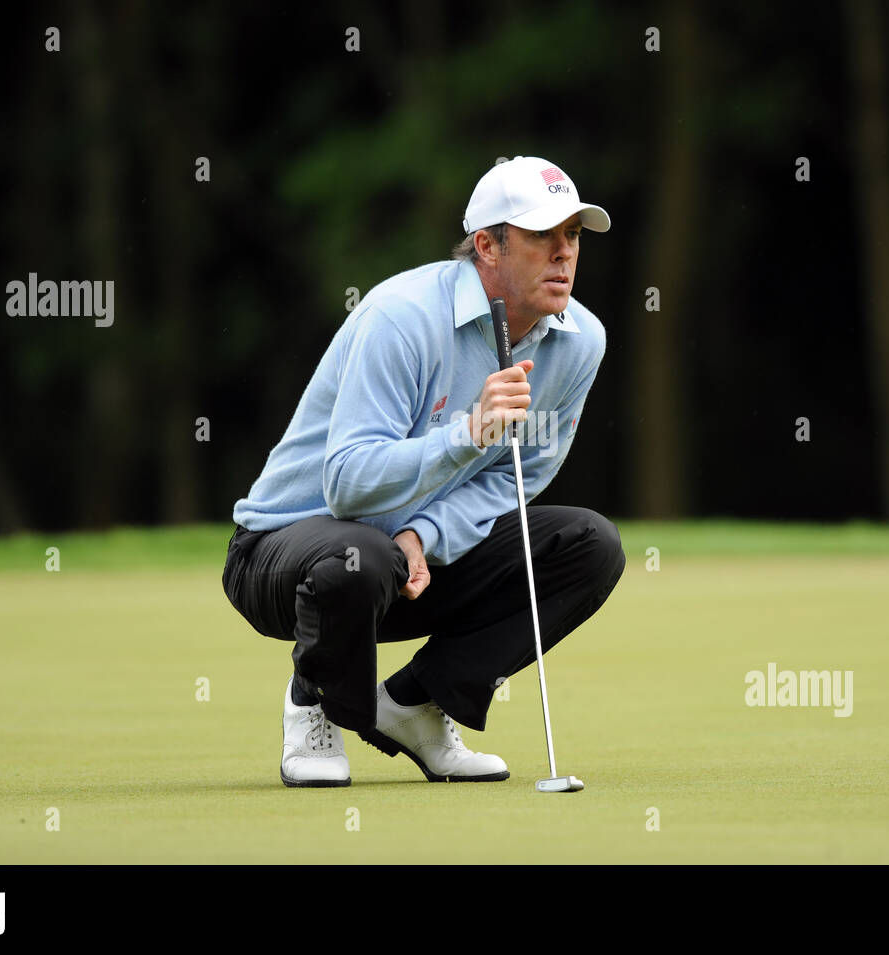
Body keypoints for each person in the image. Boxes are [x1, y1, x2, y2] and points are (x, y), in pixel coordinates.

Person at [221, 156, 626, 787]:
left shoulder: (580, 342)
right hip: (284, 555)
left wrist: (426, 535)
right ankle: (313, 703)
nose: (564, 254)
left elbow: (517, 478)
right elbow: (348, 484)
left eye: (572, 235)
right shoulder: (401, 316)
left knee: (588, 545)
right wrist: (466, 435)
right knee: (362, 554)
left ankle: (415, 703)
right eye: (543, 236)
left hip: (412, 562)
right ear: (487, 246)